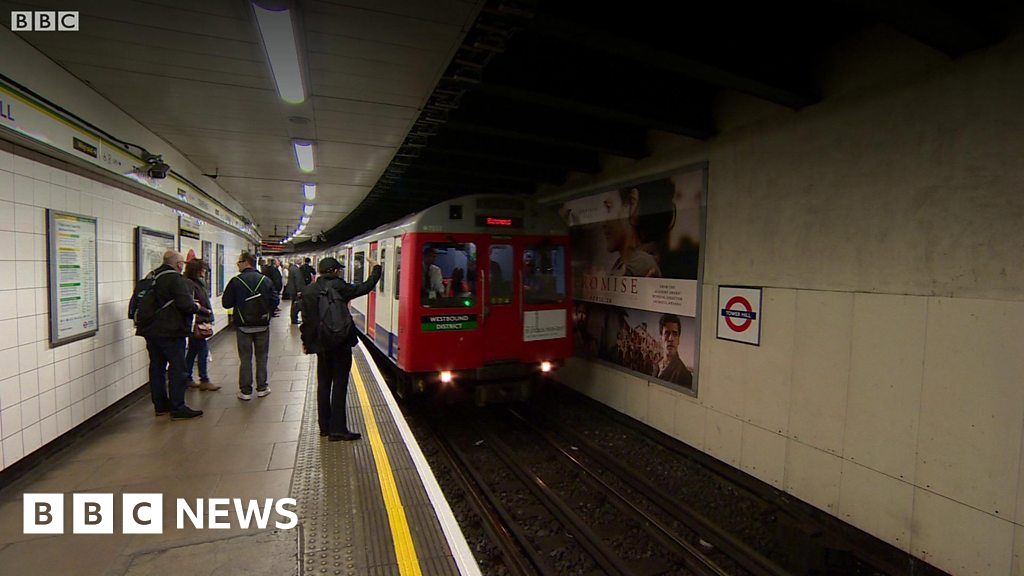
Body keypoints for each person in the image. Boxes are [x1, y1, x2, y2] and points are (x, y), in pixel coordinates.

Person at [301, 256, 381, 441]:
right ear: (335, 271)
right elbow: (366, 287)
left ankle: (324, 427)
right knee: (339, 384)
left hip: (321, 344)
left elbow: (307, 321)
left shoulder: (309, 290)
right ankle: (338, 429)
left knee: (323, 384)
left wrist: (306, 342)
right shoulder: (340, 287)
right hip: (340, 343)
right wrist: (376, 269)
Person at [135, 250, 207, 420]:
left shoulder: (151, 276)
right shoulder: (175, 279)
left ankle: (160, 405)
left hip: (150, 331)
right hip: (171, 331)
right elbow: (185, 304)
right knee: (177, 369)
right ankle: (178, 407)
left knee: (157, 368)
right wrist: (198, 308)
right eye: (182, 263)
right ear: (178, 264)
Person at [223, 251, 280, 400]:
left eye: (239, 261)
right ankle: (262, 387)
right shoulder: (265, 280)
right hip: (262, 325)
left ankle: (245, 391)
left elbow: (226, 303)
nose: (237, 264)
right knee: (262, 357)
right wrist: (266, 312)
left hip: (243, 327)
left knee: (245, 358)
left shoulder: (236, 281)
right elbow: (275, 301)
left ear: (246, 262)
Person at [601, 187, 662, 277]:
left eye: (609, 207)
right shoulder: (622, 262)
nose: (603, 222)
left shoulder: (641, 264)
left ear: (631, 203)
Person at [183, 259, 220, 391]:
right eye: (203, 269)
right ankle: (204, 379)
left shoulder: (196, 283)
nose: (205, 271)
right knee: (202, 350)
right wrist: (206, 312)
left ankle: (187, 378)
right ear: (197, 270)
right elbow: (192, 304)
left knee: (193, 351)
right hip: (196, 322)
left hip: (199, 320)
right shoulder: (191, 284)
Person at [656, 314, 693, 387]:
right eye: (667, 333)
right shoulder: (655, 365)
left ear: (679, 340)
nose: (670, 338)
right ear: (661, 338)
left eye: (675, 334)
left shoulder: (684, 375)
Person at [286, 259, 307, 324]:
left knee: (294, 304)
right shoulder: (296, 269)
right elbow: (298, 280)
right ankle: (294, 319)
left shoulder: (292, 268)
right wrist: (299, 290)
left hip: (292, 289)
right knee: (295, 305)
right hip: (295, 290)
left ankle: (294, 318)